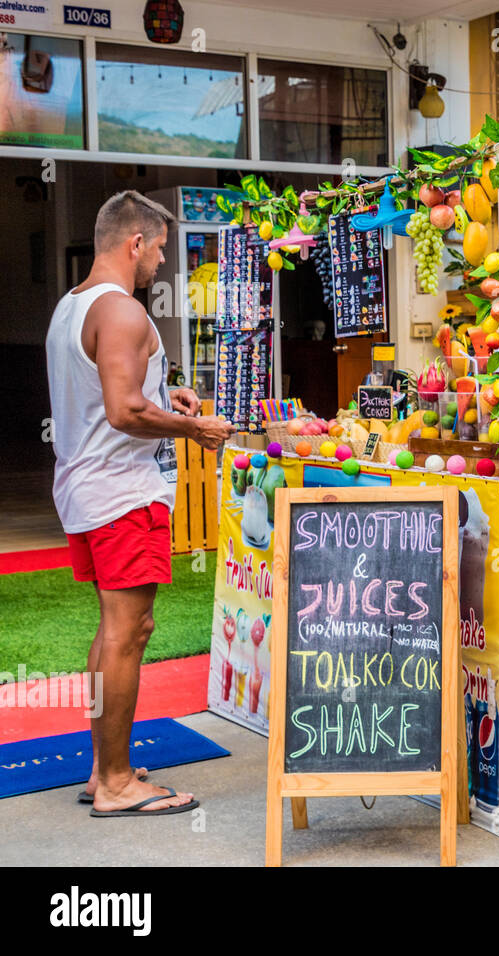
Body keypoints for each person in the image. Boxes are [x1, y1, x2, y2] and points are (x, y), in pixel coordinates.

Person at [46, 190, 234, 817]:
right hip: (124, 497)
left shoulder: (71, 308)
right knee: (130, 632)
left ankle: (104, 769)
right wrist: (196, 431)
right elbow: (124, 411)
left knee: (112, 631)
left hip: (84, 489)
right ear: (134, 243)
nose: (161, 262)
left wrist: (165, 389)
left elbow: (115, 389)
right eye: (158, 249)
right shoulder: (124, 312)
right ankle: (120, 783)